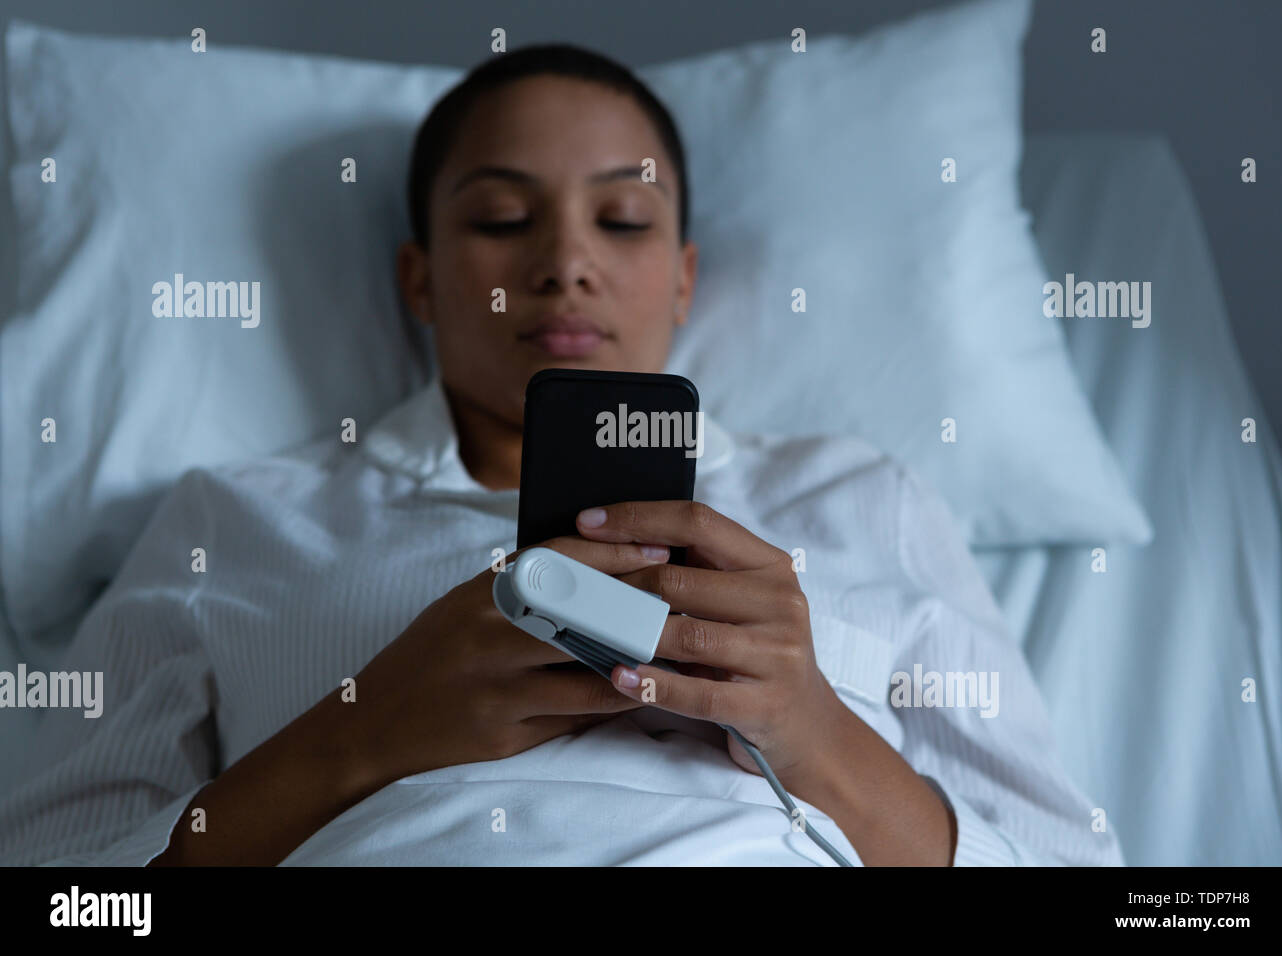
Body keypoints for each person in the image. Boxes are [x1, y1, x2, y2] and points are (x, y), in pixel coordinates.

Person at [0, 44, 1123, 867]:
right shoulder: (233, 521)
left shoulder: (859, 500)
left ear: (682, 280)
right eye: (500, 219)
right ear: (419, 281)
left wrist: (817, 734)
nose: (565, 264)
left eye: (623, 221)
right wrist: (360, 735)